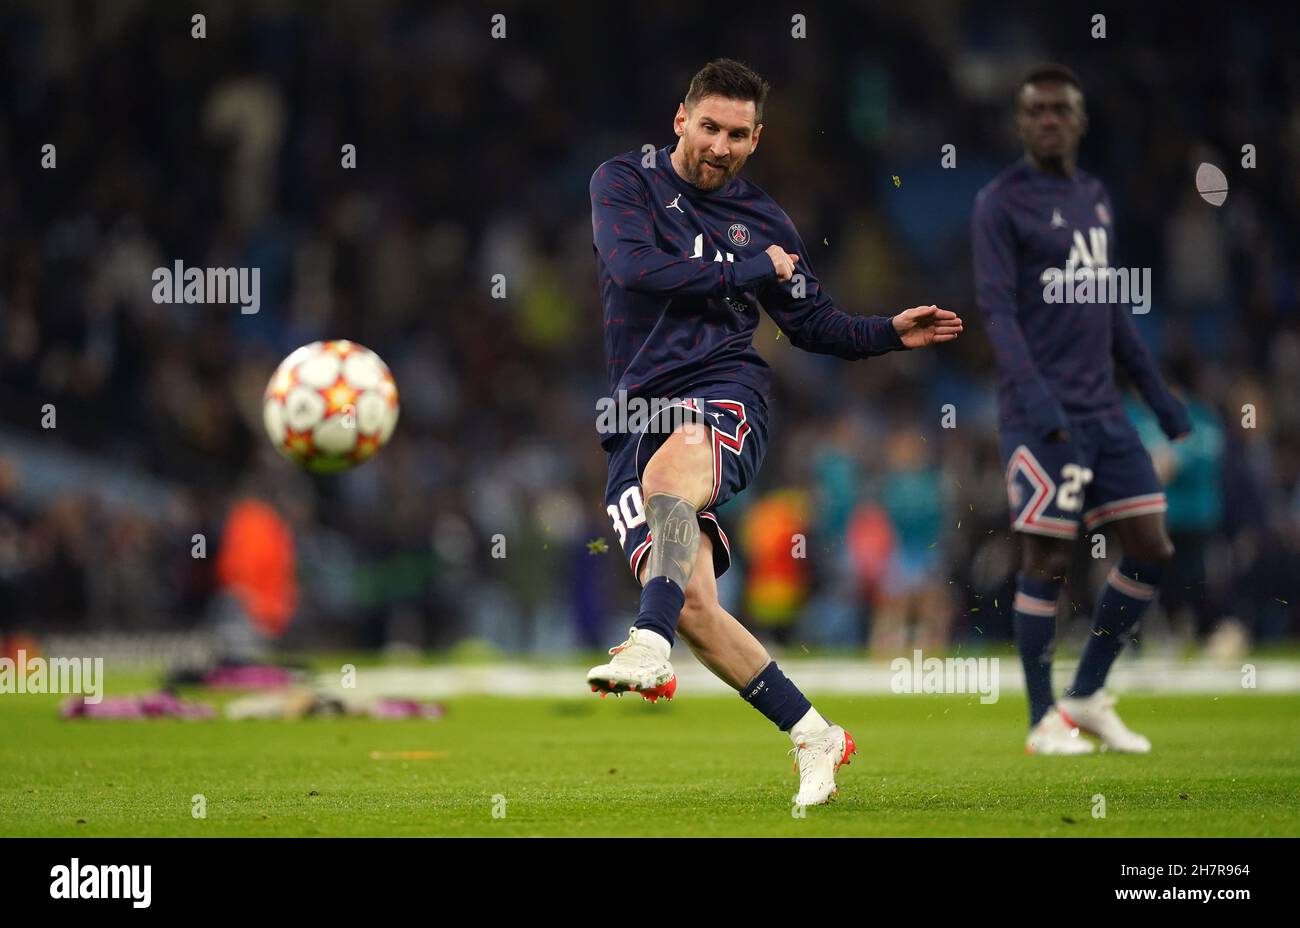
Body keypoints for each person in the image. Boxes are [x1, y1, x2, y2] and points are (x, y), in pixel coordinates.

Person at [587, 58, 962, 804]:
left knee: (673, 481)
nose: (720, 146)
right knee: (695, 607)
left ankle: (645, 642)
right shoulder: (622, 184)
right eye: (709, 127)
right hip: (634, 415)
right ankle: (816, 734)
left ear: (757, 139)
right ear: (680, 120)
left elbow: (816, 325)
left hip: (726, 393)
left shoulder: (764, 221)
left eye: (737, 134)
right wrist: (748, 271)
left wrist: (888, 330)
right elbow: (634, 271)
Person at [972, 65, 1191, 755]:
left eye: (1060, 110)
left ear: (1080, 119)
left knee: (1151, 545)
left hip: (1106, 414)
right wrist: (1036, 399)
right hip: (1041, 415)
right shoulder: (999, 203)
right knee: (1047, 558)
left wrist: (1156, 395)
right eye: (1035, 111)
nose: (1048, 121)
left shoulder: (1096, 197)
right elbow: (998, 315)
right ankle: (1043, 720)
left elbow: (1113, 312)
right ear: (1020, 122)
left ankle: (1088, 692)